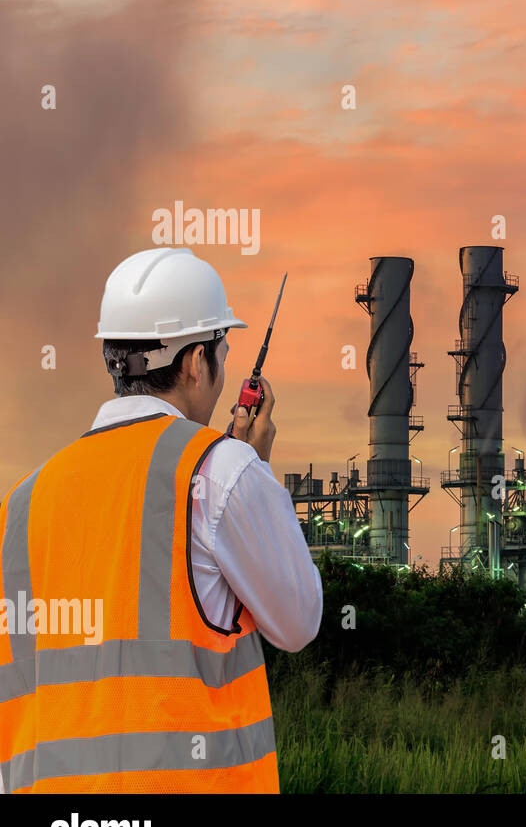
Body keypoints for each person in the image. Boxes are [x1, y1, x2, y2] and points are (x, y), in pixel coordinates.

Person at [0, 247, 322, 793]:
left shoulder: (22, 502)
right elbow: (298, 620)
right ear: (198, 361)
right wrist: (254, 470)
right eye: (222, 349)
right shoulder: (220, 470)